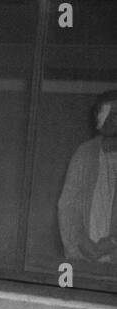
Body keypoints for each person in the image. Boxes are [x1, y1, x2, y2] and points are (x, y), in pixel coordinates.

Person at [57, 90, 117, 267]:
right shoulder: (85, 153)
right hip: (83, 261)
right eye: (106, 112)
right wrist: (79, 241)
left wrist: (113, 242)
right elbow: (67, 206)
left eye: (116, 114)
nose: (111, 119)